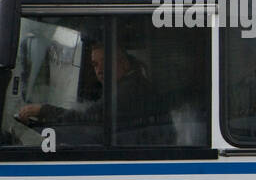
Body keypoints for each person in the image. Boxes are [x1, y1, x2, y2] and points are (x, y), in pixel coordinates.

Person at [18, 41, 162, 142]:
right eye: (95, 64)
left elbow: (84, 119)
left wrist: (43, 110)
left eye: (106, 62)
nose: (99, 70)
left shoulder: (129, 90)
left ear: (123, 63)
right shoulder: (130, 83)